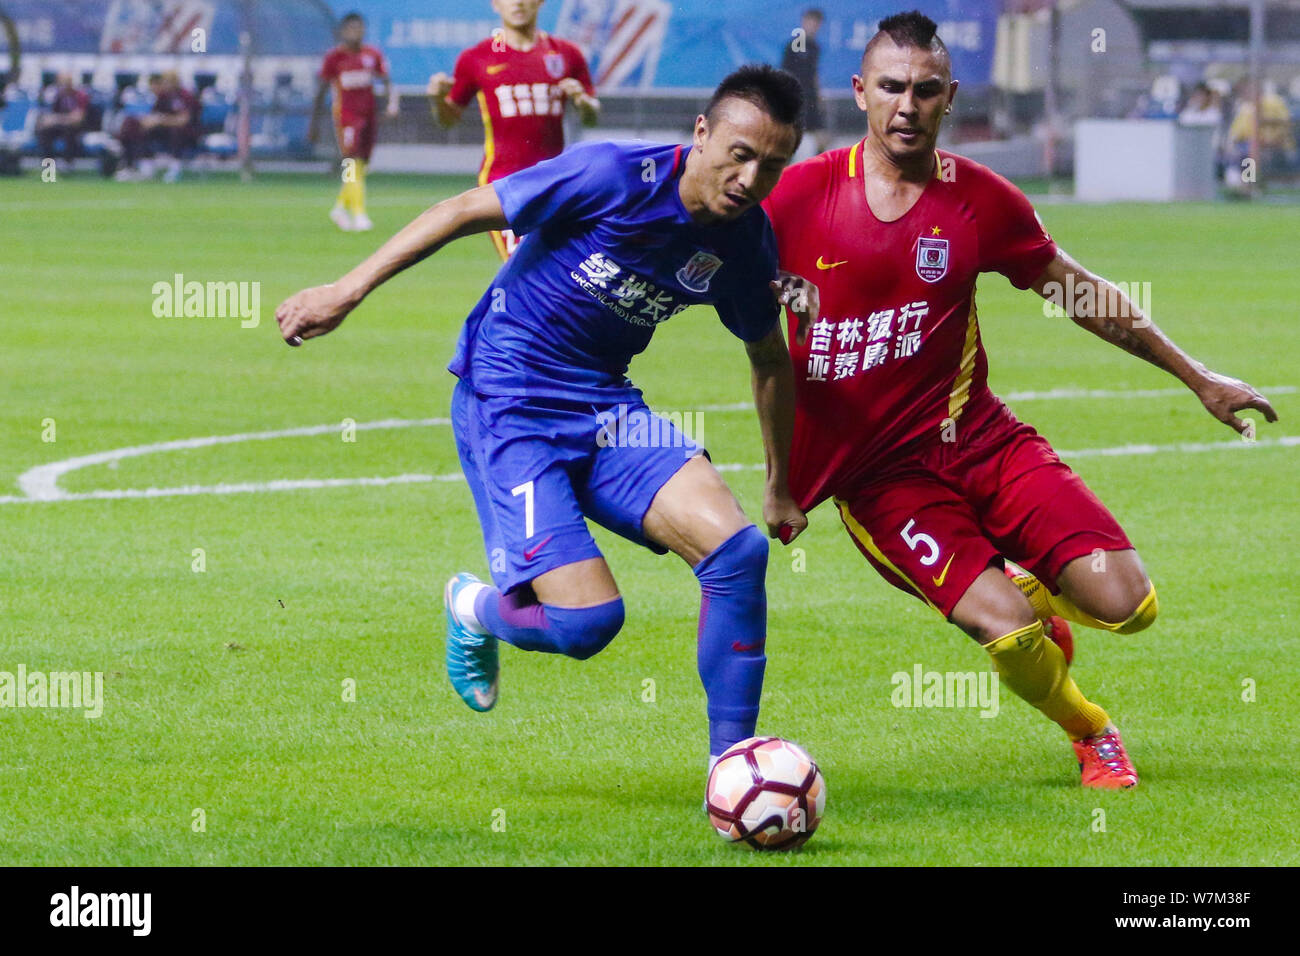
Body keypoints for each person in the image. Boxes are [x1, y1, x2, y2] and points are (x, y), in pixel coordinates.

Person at [760, 11, 1278, 789]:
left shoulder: (981, 202)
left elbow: (1081, 292)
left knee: (1129, 607)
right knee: (1008, 632)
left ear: (950, 97)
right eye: (892, 88)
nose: (907, 106)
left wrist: (1197, 375)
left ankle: (1033, 587)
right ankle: (1091, 731)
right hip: (880, 483)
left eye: (925, 91)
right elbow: (709, 256)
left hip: (983, 442)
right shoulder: (797, 197)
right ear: (860, 91)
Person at [276, 66, 815, 773]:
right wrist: (346, 291)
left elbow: (770, 360)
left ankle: (732, 769)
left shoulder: (746, 243)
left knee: (737, 554)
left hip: (606, 403)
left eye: (771, 167)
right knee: (589, 624)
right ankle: (473, 608)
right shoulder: (614, 175)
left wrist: (780, 483)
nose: (750, 178)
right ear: (702, 134)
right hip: (509, 400)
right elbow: (467, 208)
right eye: (740, 154)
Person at [428, 0, 599, 260]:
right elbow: (448, 120)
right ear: (495, 4)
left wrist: (583, 102)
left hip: (556, 182)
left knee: (566, 271)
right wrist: (437, 100)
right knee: (525, 267)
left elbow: (591, 117)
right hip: (503, 183)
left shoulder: (566, 54)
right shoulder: (477, 57)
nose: (518, 3)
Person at [312, 11, 398, 232]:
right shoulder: (335, 58)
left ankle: (340, 207)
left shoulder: (372, 55)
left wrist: (391, 104)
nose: (356, 33)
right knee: (351, 163)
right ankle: (359, 214)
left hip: (369, 117)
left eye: (359, 28)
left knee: (362, 166)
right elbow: (321, 90)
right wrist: (314, 122)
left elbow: (386, 81)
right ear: (342, 32)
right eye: (351, 28)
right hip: (346, 118)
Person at [114, 71, 198, 182]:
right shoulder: (163, 96)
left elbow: (183, 120)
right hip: (164, 129)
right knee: (135, 126)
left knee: (176, 131)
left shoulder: (185, 96)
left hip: (188, 132)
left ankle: (175, 168)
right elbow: (155, 114)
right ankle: (135, 166)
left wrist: (161, 120)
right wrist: (148, 121)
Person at [781, 8, 831, 156]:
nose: (813, 26)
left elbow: (814, 73)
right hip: (796, 97)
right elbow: (785, 72)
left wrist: (819, 96)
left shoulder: (815, 47)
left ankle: (817, 168)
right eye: (810, 22)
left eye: (816, 23)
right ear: (803, 22)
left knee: (821, 136)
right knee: (792, 135)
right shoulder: (794, 44)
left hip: (811, 98)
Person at [36, 72, 89, 167]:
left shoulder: (81, 96)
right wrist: (60, 119)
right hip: (61, 125)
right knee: (44, 131)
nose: (64, 86)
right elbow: (52, 115)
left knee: (69, 130)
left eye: (66, 83)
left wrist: (59, 119)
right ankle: (49, 164)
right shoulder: (59, 96)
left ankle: (68, 163)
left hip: (78, 127)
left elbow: (78, 118)